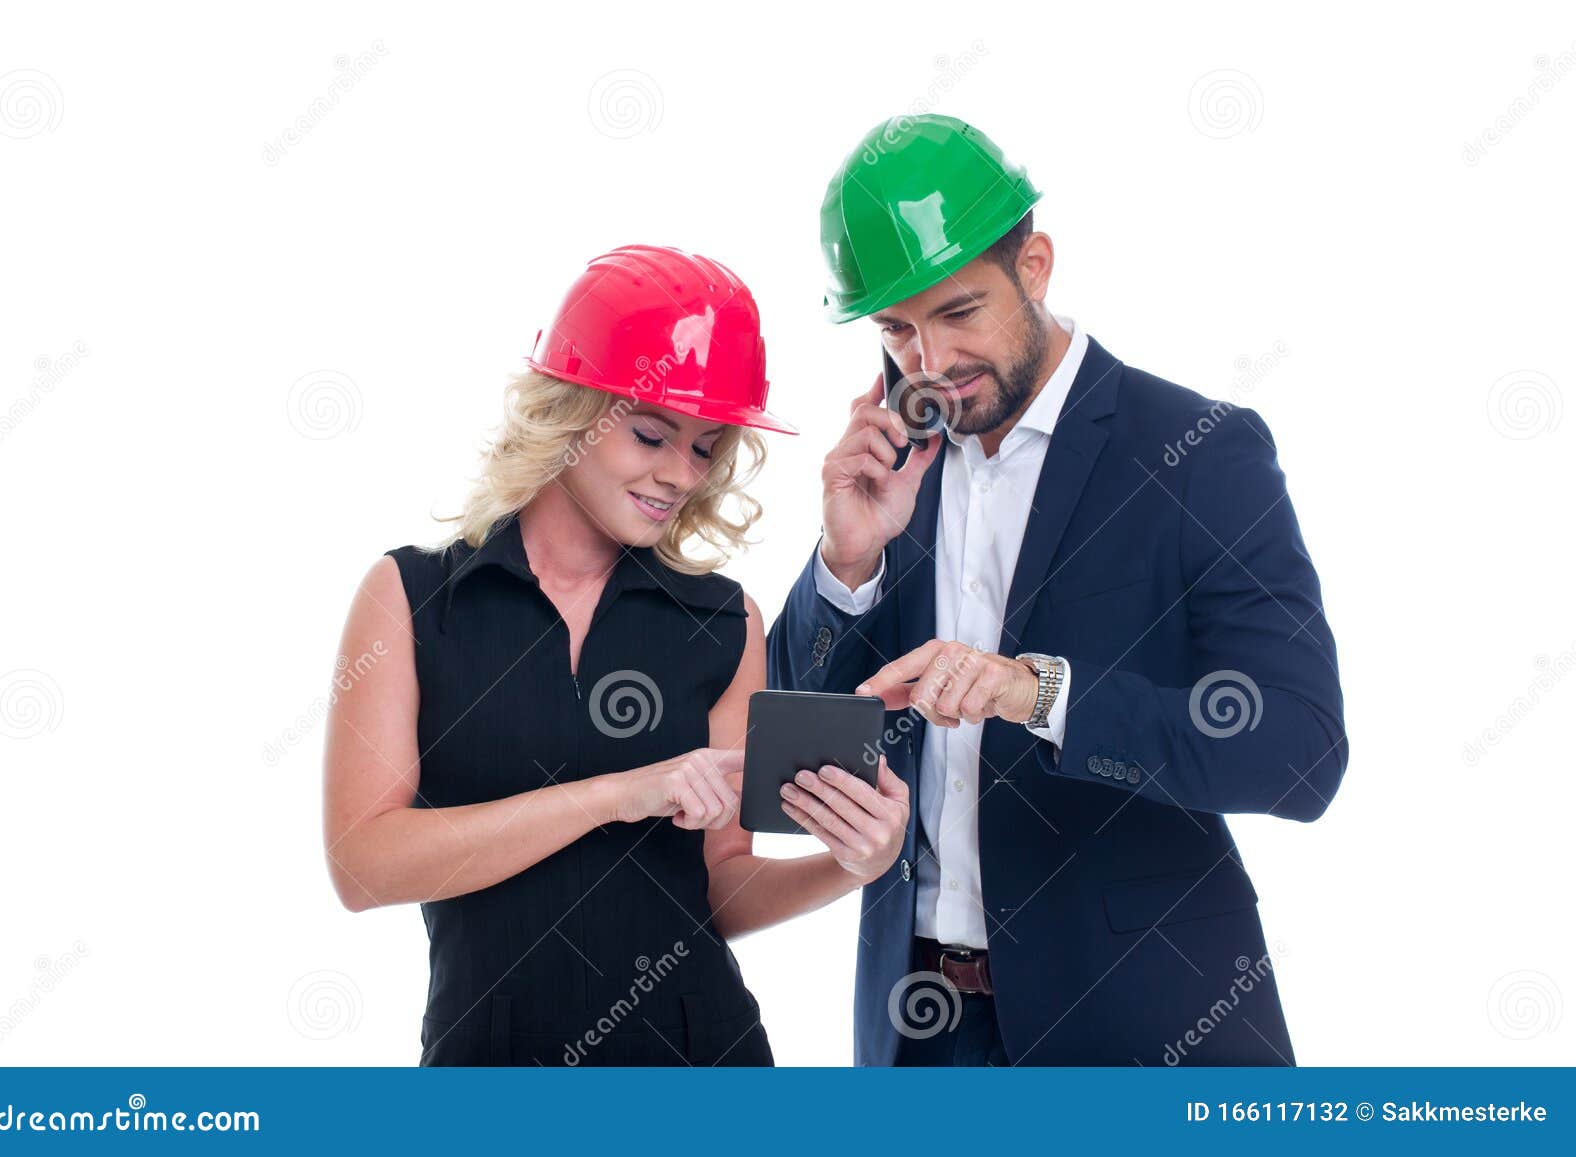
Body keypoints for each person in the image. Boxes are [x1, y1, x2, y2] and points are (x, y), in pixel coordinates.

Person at [768, 116, 1349, 1066]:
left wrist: (1037, 695)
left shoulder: (1201, 453)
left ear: (1034, 264)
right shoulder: (890, 463)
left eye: (959, 313)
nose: (930, 364)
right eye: (897, 330)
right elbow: (802, 726)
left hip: (1140, 1026)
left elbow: (1299, 751)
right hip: (917, 1034)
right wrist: (848, 559)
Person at [323, 244, 910, 1066]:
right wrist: (614, 795)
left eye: (706, 447)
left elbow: (722, 887)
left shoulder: (721, 620)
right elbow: (365, 868)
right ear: (571, 412)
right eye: (650, 434)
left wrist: (856, 864)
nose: (680, 474)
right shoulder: (413, 598)